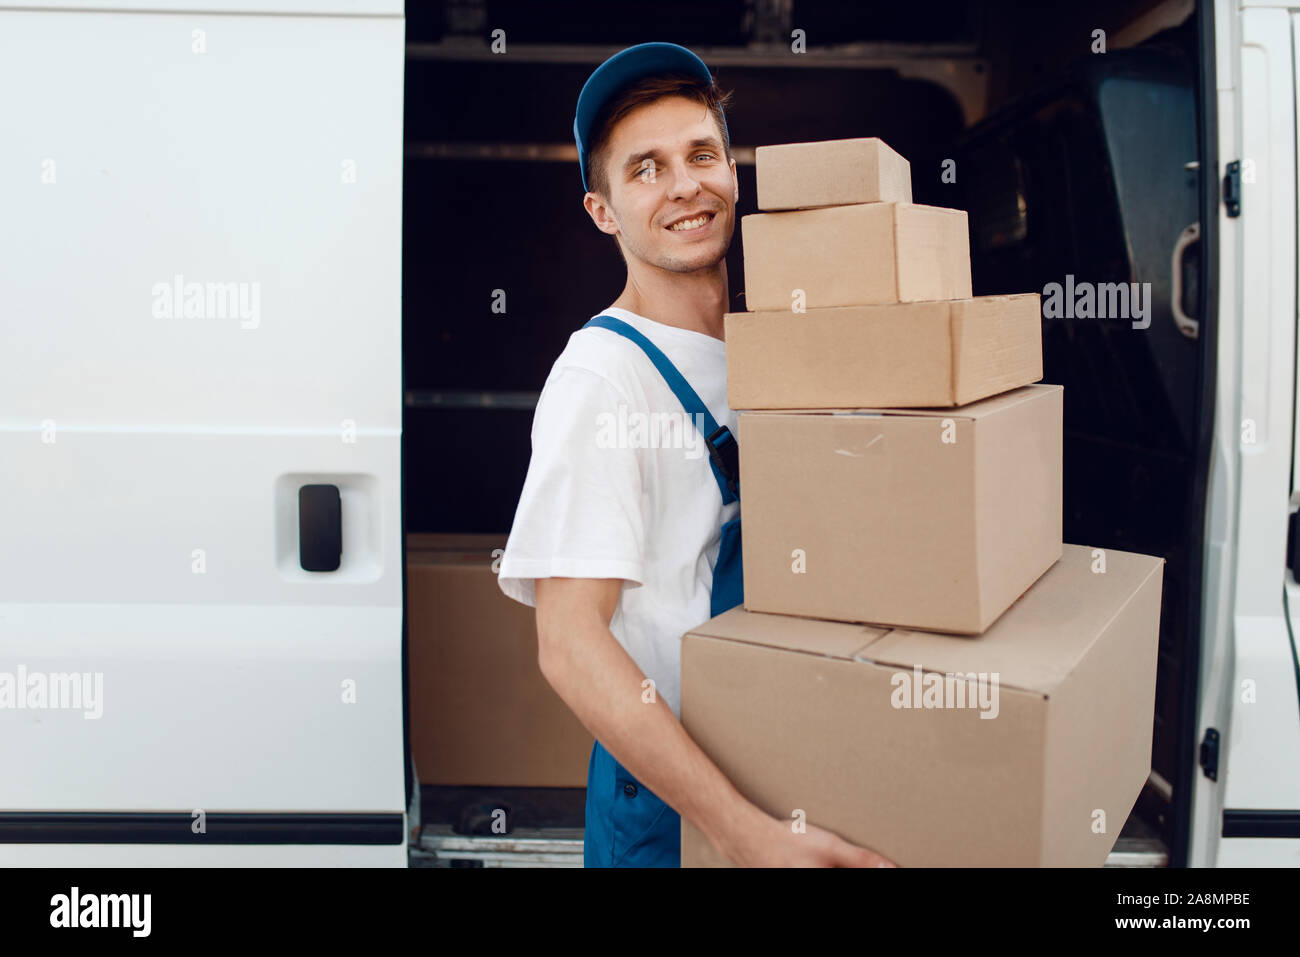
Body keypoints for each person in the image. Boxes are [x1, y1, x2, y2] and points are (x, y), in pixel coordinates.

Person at [497, 41, 896, 869]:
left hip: (781, 772)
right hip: (680, 817)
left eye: (700, 154)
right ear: (602, 210)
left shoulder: (774, 345)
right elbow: (569, 642)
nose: (684, 185)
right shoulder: (604, 379)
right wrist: (738, 830)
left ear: (732, 173)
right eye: (644, 168)